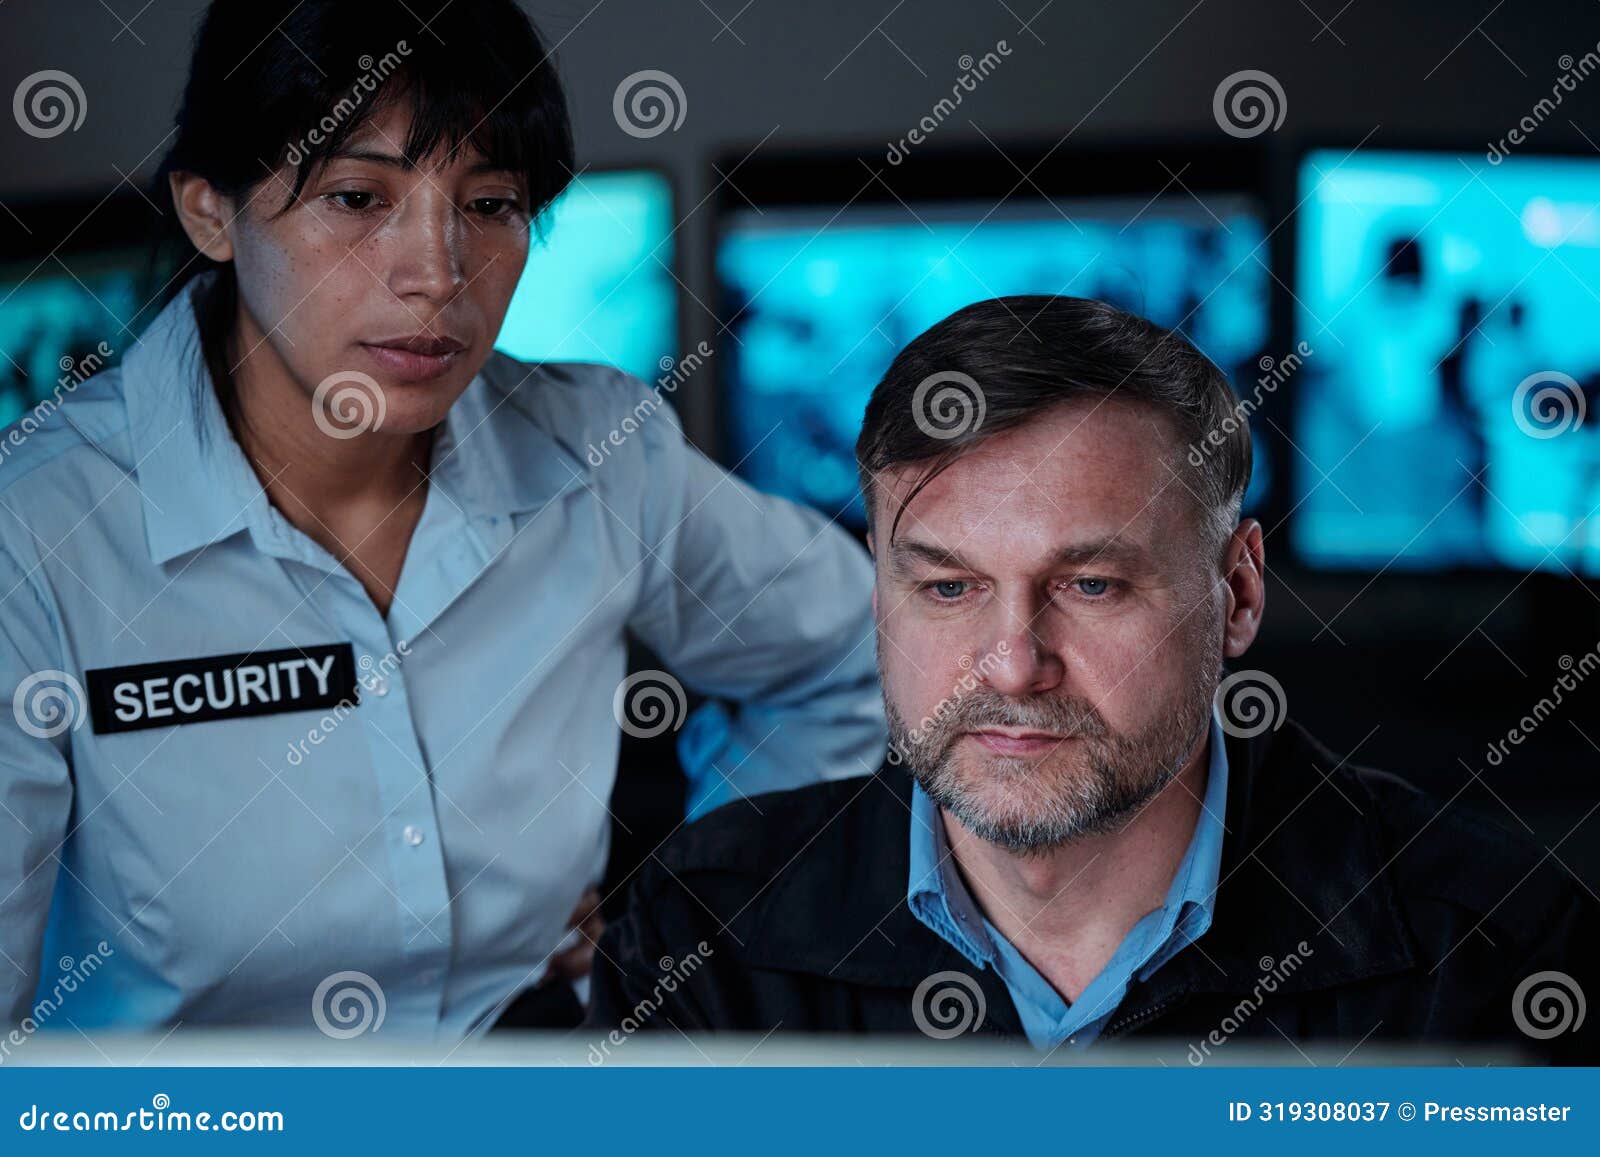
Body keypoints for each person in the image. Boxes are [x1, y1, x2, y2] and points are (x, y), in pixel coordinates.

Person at [0, 0, 884, 1041]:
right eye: (357, 196)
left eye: (491, 202)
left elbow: (857, 656)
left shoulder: (598, 453)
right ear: (210, 212)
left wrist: (690, 906)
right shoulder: (39, 531)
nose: (436, 271)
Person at [588, 295, 1599, 1063]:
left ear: (1238, 592)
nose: (1014, 662)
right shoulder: (698, 937)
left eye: (1091, 582)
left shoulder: (1491, 948)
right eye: (947, 587)